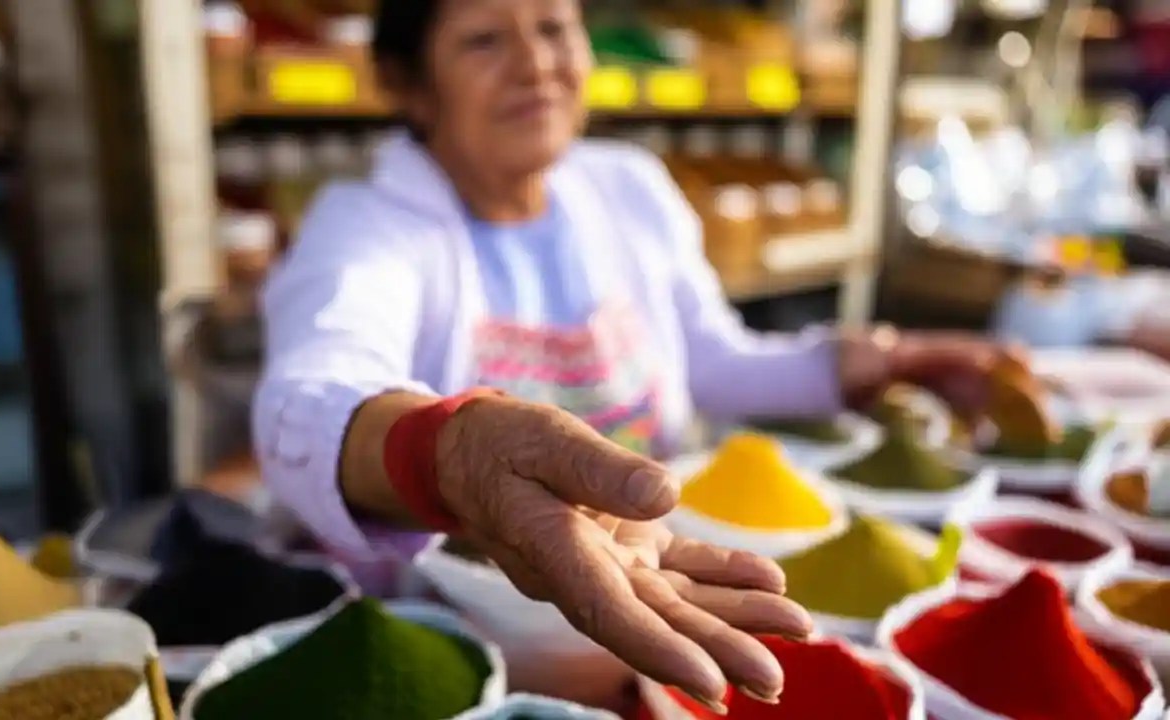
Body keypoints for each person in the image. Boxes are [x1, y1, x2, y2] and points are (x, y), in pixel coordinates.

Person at [254, 0, 1005, 707]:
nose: (536, 65)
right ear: (408, 84)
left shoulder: (628, 191)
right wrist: (447, 452)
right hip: (460, 645)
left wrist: (869, 364)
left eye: (554, 27)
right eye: (484, 40)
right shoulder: (366, 229)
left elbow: (713, 360)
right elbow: (306, 397)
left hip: (652, 594)